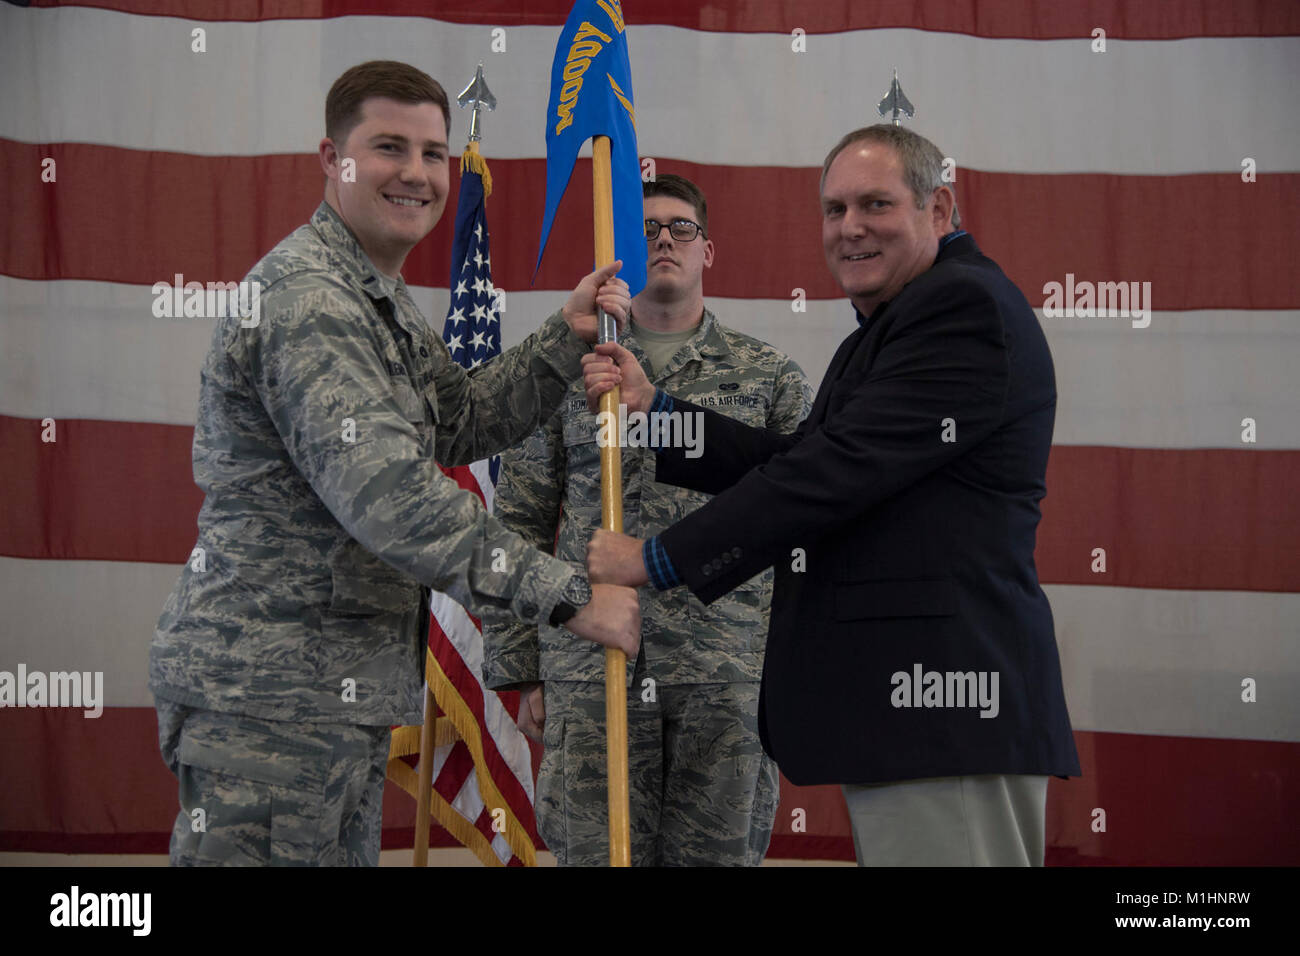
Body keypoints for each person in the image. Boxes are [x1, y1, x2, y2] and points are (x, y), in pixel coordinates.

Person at [148, 60, 640, 867]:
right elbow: (391, 497)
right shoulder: (310, 299)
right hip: (270, 699)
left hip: (326, 692)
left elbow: (461, 421)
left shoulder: (373, 293)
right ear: (331, 159)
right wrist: (567, 596)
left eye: (433, 153)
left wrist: (566, 336)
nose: (417, 174)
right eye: (388, 148)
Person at [583, 125, 1081, 866]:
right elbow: (809, 459)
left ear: (939, 209)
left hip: (943, 705)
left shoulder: (959, 310)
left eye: (875, 204)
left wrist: (655, 558)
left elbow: (832, 474)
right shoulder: (897, 320)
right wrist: (660, 412)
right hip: (918, 715)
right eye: (834, 209)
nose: (850, 228)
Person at [482, 174, 812, 866]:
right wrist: (524, 668)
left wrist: (787, 668)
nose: (665, 239)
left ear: (708, 251)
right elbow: (519, 516)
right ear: (625, 255)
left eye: (681, 228)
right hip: (589, 667)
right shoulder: (570, 373)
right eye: (647, 230)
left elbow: (805, 517)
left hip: (725, 672)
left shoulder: (770, 377)